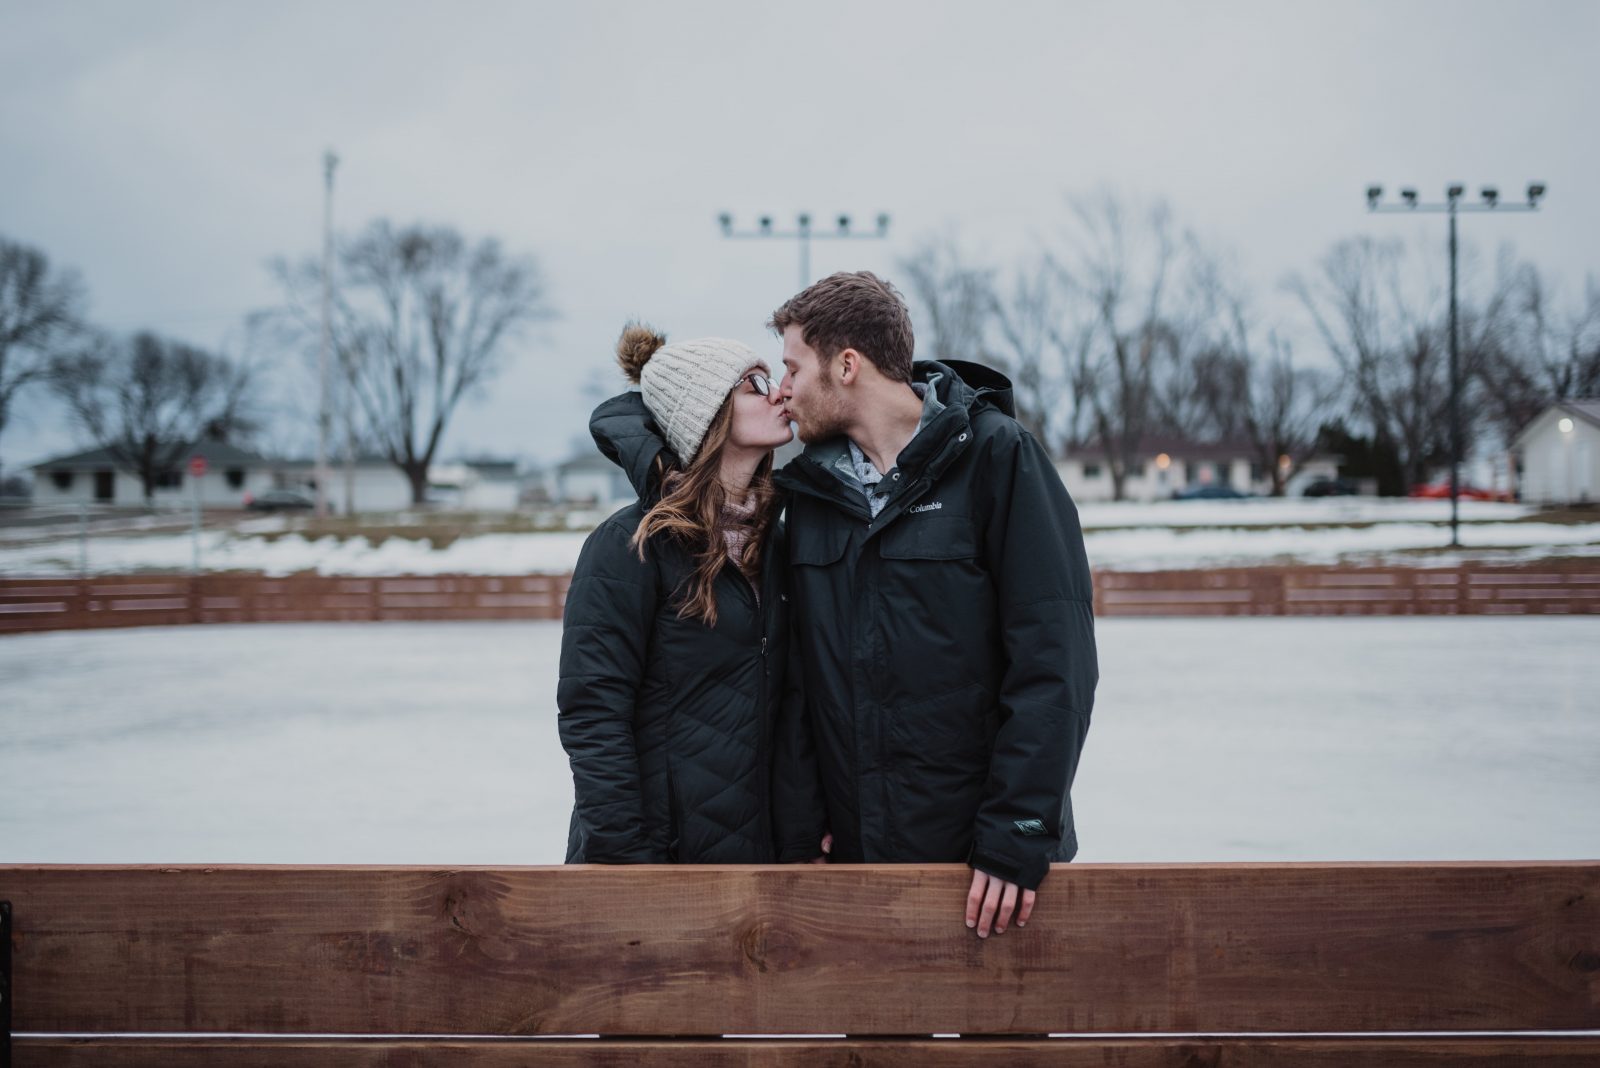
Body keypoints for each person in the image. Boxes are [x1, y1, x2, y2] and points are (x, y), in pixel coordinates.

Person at [770, 271, 1098, 937]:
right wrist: (807, 824)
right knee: (876, 1046)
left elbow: (1054, 662)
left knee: (1008, 1044)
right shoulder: (808, 495)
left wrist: (1017, 833)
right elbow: (801, 681)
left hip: (991, 874)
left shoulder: (998, 458)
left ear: (847, 365)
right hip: (861, 867)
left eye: (792, 367)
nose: (782, 391)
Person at [558, 324, 822, 865]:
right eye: (753, 383)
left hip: (757, 861)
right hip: (653, 860)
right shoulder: (628, 547)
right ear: (707, 415)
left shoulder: (779, 545)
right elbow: (593, 714)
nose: (778, 392)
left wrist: (798, 843)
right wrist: (627, 860)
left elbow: (794, 711)